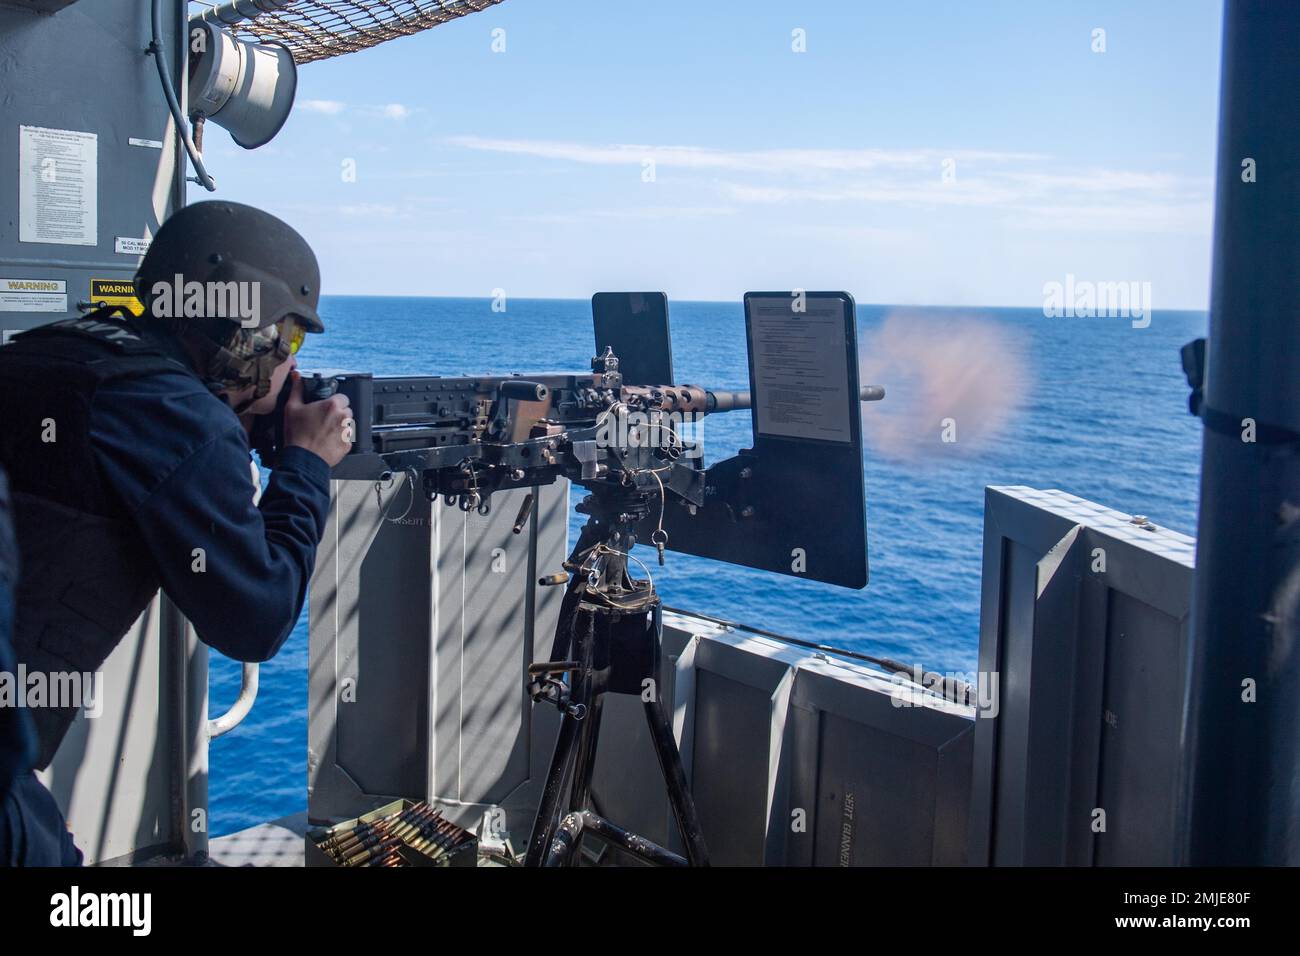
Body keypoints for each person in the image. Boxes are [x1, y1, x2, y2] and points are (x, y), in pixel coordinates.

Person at [0, 201, 352, 864]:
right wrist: (306, 466)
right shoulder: (180, 419)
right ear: (248, 331)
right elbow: (256, 618)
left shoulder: (46, 359)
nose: (291, 367)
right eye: (291, 340)